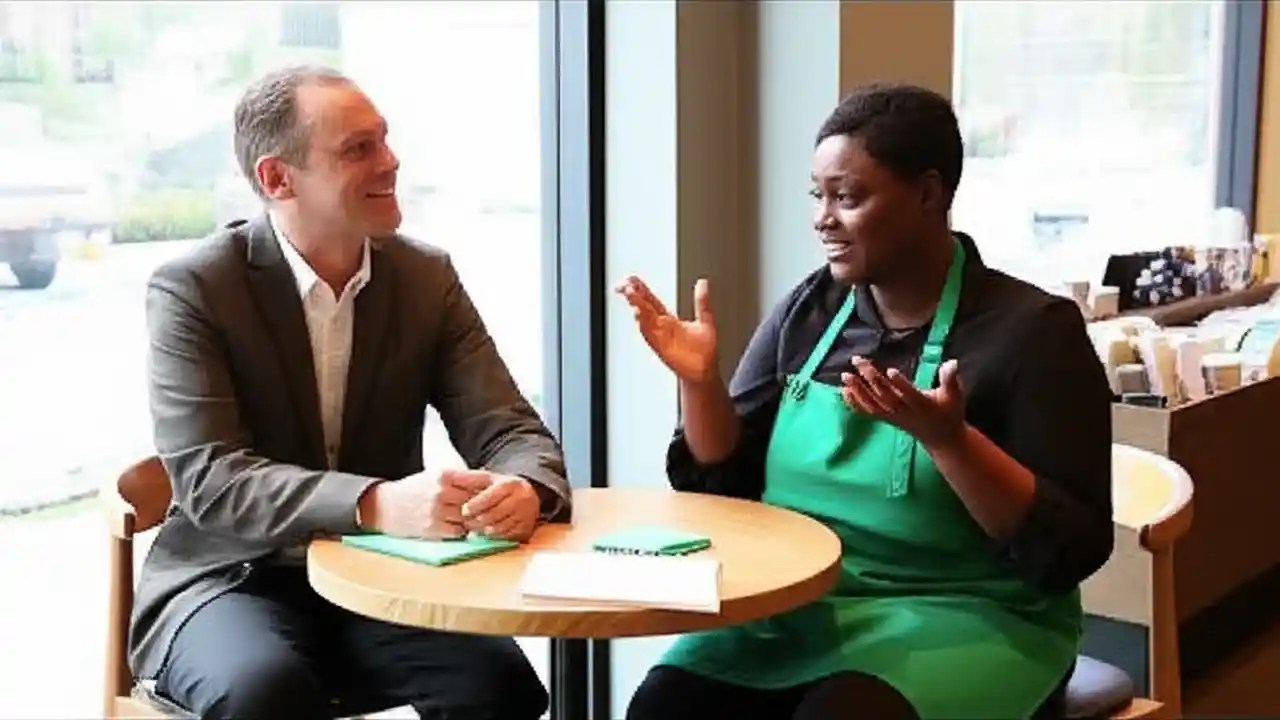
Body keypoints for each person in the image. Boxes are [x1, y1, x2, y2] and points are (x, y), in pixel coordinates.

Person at [618, 83, 1114, 719]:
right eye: (817, 196)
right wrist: (699, 381)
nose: (823, 217)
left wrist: (950, 441)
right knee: (664, 707)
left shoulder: (1033, 331)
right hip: (804, 607)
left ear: (929, 194)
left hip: (978, 618)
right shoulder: (810, 310)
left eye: (847, 197)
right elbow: (726, 481)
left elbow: (1070, 547)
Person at [130, 66, 569, 720]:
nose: (390, 163)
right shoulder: (195, 289)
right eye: (358, 149)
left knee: (499, 687)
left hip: (379, 579)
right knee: (268, 693)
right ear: (278, 179)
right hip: (230, 580)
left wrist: (524, 489)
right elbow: (210, 480)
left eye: (385, 141)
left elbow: (511, 431)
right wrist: (373, 502)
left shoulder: (425, 278)